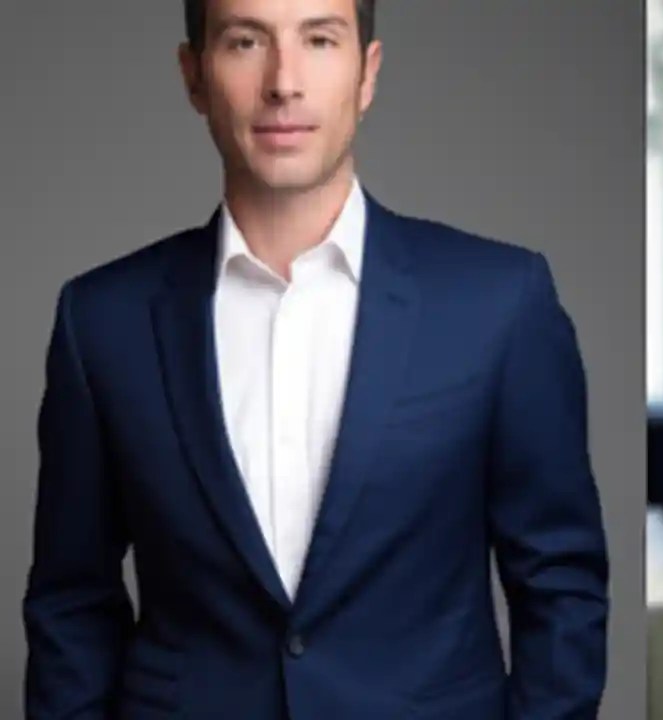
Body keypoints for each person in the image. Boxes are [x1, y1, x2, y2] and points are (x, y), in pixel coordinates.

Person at [22, 2, 609, 718]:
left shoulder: (498, 303)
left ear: (367, 74)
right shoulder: (102, 320)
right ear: (194, 77)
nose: (284, 81)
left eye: (320, 39)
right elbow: (70, 602)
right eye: (245, 41)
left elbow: (562, 588)